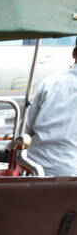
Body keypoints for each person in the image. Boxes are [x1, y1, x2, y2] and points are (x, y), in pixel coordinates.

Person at [24, 43, 77, 177]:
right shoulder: (50, 82)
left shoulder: (50, 82)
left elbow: (25, 129)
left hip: (33, 166)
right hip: (70, 171)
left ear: (74, 53)